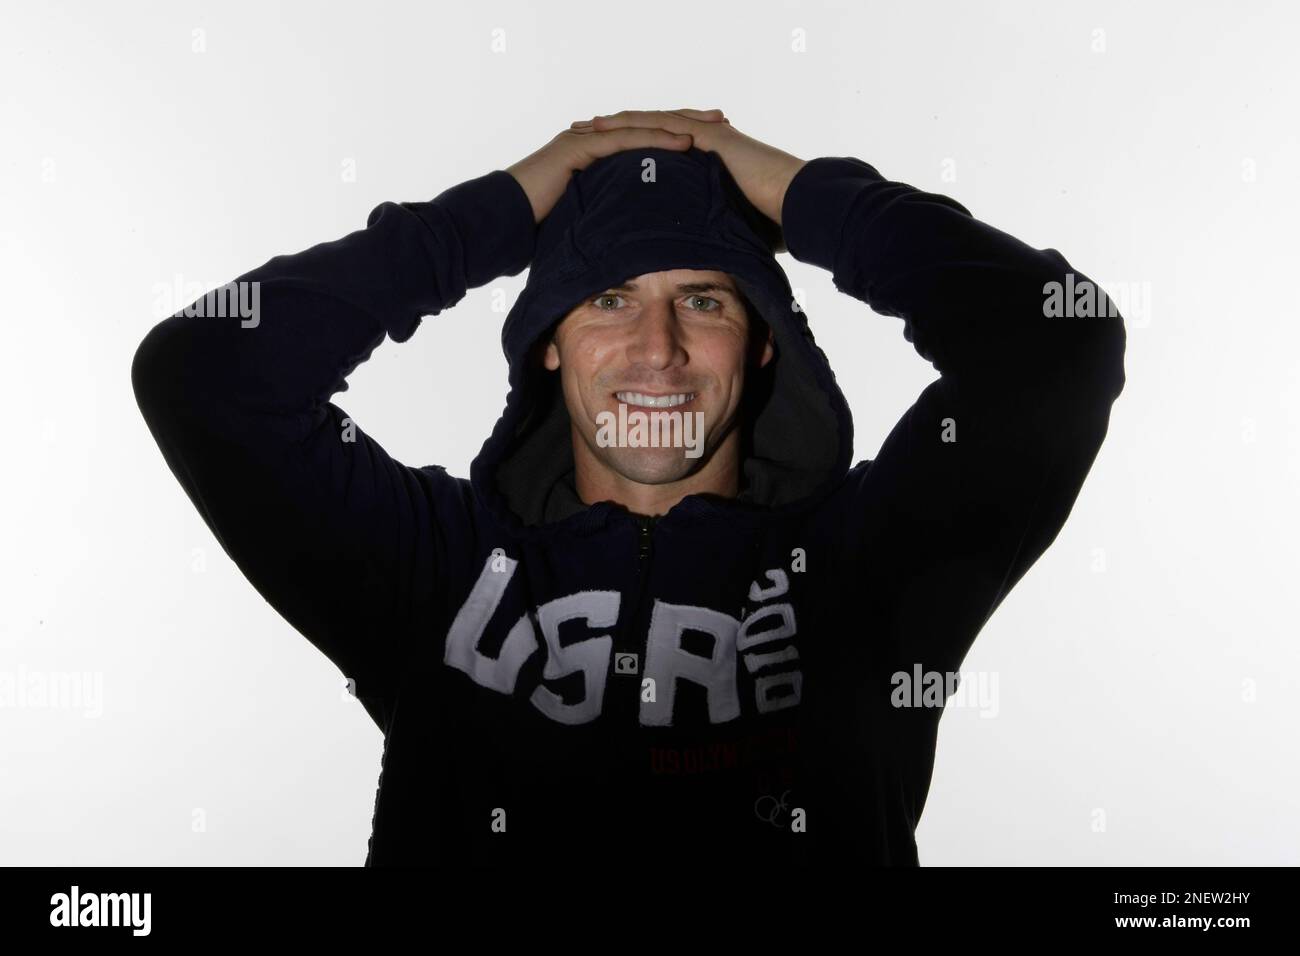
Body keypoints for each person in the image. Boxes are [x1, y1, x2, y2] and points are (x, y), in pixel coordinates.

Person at [131, 107, 1126, 866]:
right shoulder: (431, 563)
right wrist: (494, 214)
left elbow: (1058, 337)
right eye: (607, 299)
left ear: (767, 344)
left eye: (703, 299)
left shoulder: (870, 564)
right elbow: (203, 373)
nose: (658, 349)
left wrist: (797, 192)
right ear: (550, 349)